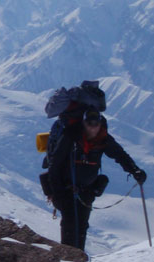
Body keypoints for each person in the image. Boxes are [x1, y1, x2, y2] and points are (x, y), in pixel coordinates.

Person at [44, 108, 146, 253]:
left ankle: (76, 258)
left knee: (82, 225)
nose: (93, 128)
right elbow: (55, 164)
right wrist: (57, 192)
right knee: (70, 224)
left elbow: (120, 155)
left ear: (100, 123)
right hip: (66, 189)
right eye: (90, 124)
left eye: (96, 124)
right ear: (84, 123)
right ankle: (69, 260)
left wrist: (134, 170)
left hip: (87, 190)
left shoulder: (103, 138)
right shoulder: (71, 136)